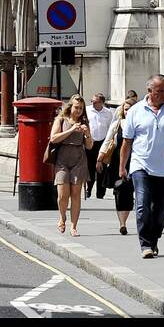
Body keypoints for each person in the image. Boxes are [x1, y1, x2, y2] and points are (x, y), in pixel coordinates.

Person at [119, 74, 164, 259]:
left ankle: (154, 239)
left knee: (162, 208)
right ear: (149, 91)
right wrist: (122, 166)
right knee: (143, 204)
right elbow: (127, 141)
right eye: (159, 91)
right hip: (141, 166)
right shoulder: (135, 111)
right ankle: (145, 244)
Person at [50, 95, 93, 236]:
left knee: (76, 195)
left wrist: (87, 134)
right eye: (76, 107)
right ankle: (62, 217)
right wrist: (71, 130)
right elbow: (53, 138)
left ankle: (74, 226)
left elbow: (90, 146)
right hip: (62, 159)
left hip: (79, 160)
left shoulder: (85, 122)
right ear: (70, 106)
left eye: (81, 108)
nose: (79, 111)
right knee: (63, 195)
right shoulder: (61, 120)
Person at [97, 94, 137, 234]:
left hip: (136, 162)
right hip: (117, 162)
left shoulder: (140, 124)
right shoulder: (117, 124)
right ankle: (122, 223)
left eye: (130, 109)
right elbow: (107, 141)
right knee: (120, 192)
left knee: (132, 192)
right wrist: (99, 159)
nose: (127, 111)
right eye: (126, 109)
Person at [86, 93, 112, 198]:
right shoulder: (87, 110)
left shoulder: (108, 113)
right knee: (90, 167)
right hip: (90, 142)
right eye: (92, 101)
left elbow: (111, 128)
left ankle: (100, 193)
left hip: (103, 142)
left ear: (101, 103)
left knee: (102, 168)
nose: (93, 103)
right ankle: (89, 189)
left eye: (95, 102)